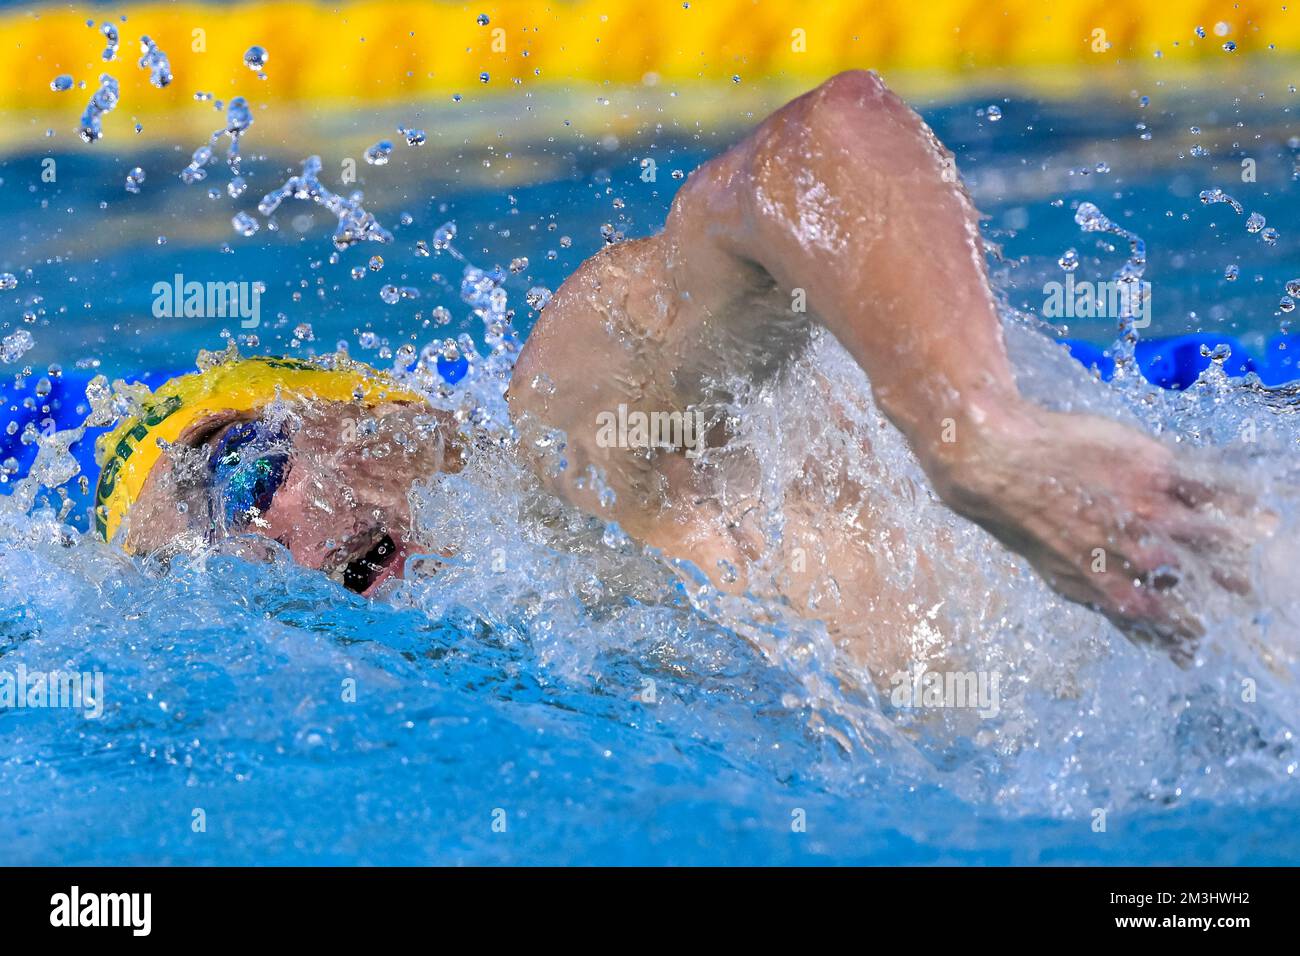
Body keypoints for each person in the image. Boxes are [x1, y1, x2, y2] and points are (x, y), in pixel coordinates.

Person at [96, 71, 1259, 673]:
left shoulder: (572, 429)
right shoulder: (557, 645)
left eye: (236, 479)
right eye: (200, 573)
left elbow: (819, 144)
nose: (260, 563)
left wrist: (974, 438)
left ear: (363, 413)